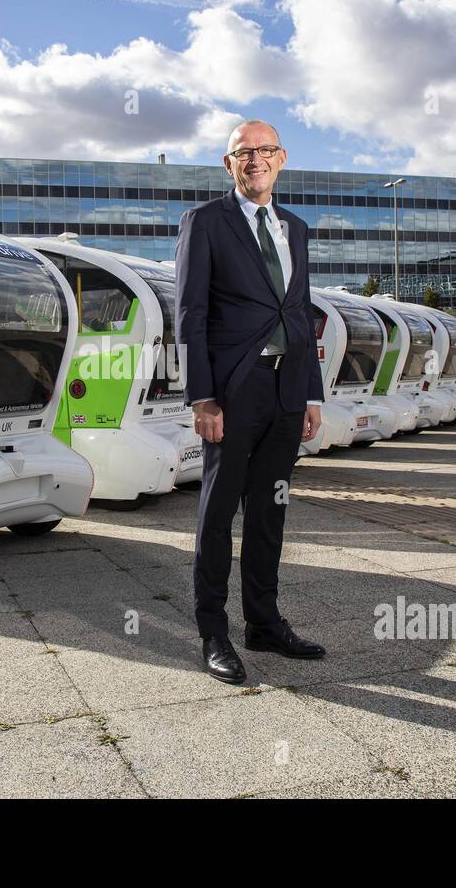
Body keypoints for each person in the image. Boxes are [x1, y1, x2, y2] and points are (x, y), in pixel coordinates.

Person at [175, 119, 327, 684]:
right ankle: (213, 632)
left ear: (281, 159)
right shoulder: (205, 223)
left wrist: (311, 391)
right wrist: (203, 397)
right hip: (233, 392)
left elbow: (301, 311)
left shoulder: (296, 227)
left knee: (270, 513)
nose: (255, 160)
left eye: (264, 151)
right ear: (229, 163)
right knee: (218, 515)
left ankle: (263, 623)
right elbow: (189, 313)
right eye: (244, 153)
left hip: (287, 390)